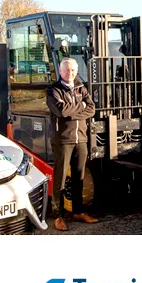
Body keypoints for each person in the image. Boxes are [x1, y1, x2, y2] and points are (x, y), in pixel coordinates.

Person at [46, 57, 99, 231]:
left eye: (73, 70)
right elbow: (61, 111)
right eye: (67, 70)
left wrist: (74, 109)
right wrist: (80, 106)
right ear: (60, 71)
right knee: (60, 179)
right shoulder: (53, 90)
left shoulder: (80, 88)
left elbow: (91, 109)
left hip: (81, 139)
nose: (70, 73)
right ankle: (58, 216)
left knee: (79, 177)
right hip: (63, 140)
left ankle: (78, 211)